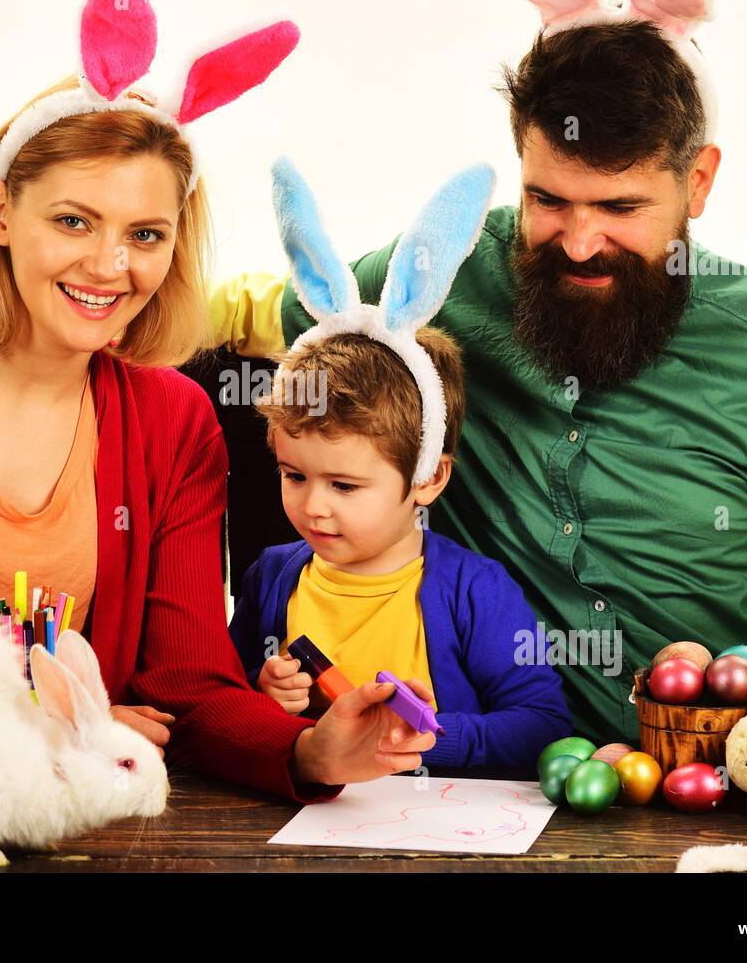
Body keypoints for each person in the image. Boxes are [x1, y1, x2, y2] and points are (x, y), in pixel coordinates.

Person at [208, 0, 747, 747]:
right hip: (503, 781)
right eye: (548, 199)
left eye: (619, 208)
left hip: (726, 775)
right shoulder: (449, 276)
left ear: (700, 181)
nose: (578, 242)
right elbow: (266, 310)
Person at [0, 0, 436, 803]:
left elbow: (190, 686)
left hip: (79, 828)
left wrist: (307, 753)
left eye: (144, 234)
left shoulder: (174, 421)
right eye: (74, 221)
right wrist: (38, 722)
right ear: (2, 212)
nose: (111, 267)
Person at [228, 158, 571, 771]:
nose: (313, 505)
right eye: (294, 474)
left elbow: (540, 726)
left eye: (345, 485)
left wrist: (433, 736)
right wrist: (264, 694)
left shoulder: (475, 592)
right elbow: (224, 700)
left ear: (428, 478)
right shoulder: (270, 579)